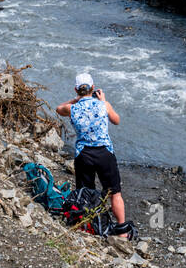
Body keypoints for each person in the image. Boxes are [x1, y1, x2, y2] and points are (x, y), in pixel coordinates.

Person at [55, 72, 131, 237]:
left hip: (84, 154)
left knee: (86, 191)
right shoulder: (104, 105)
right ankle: (122, 232)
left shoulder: (72, 108)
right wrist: (103, 100)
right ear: (93, 88)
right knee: (115, 193)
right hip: (104, 153)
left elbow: (58, 109)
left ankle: (88, 225)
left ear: (76, 90)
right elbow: (116, 120)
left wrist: (75, 100)